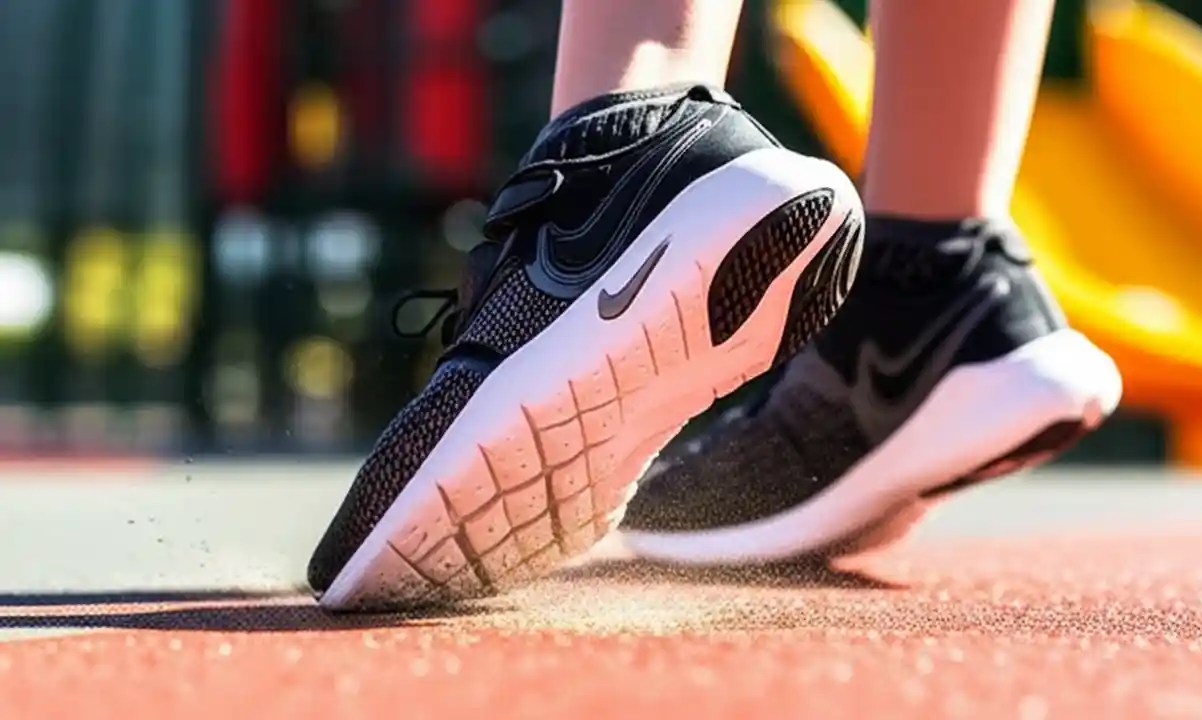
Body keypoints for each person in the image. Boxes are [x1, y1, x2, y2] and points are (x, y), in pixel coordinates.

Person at [308, 0, 1120, 610]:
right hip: (932, 290)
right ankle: (926, 284)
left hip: (626, 182)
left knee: (637, 119)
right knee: (929, 242)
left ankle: (624, 156)